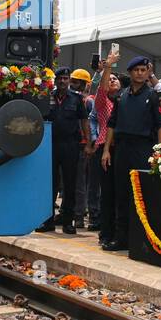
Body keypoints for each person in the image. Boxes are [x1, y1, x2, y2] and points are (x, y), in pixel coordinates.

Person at [102, 56, 161, 251]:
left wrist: (159, 151)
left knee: (141, 194)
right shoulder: (121, 96)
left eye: (143, 70)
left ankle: (140, 240)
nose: (140, 73)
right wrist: (106, 150)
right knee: (121, 193)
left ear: (148, 73)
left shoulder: (155, 96)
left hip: (143, 148)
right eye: (136, 70)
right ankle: (121, 238)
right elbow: (112, 124)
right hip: (122, 148)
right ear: (130, 72)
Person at [38, 67, 88, 234]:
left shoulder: (76, 99)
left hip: (70, 145)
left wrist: (87, 142)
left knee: (70, 184)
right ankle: (48, 221)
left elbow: (84, 121)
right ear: (55, 80)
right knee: (49, 184)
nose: (63, 81)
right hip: (50, 145)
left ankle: (68, 221)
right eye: (60, 78)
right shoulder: (47, 96)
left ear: (68, 81)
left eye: (66, 78)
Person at [89, 52, 122, 236]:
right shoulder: (102, 102)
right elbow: (101, 88)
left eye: (116, 79)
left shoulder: (125, 99)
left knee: (120, 191)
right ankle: (106, 231)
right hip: (105, 148)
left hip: (123, 149)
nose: (112, 81)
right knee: (107, 191)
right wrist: (108, 67)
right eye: (110, 79)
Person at [68, 67, 94, 228]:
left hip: (82, 145)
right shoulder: (69, 98)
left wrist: (89, 144)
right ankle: (69, 212)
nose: (72, 84)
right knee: (68, 181)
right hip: (70, 144)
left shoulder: (88, 102)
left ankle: (78, 215)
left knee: (79, 182)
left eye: (76, 82)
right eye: (72, 81)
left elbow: (89, 124)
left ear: (85, 84)